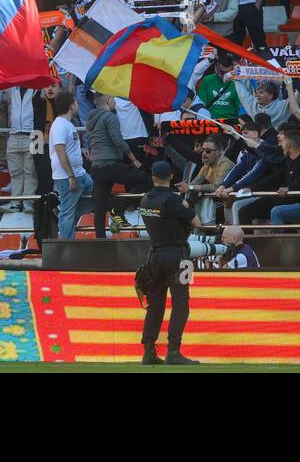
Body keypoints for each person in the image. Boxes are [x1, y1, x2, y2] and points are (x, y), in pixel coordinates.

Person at [138, 159, 200, 364]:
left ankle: (148, 352)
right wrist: (189, 202)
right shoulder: (173, 200)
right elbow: (196, 223)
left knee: (155, 305)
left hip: (154, 256)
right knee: (181, 303)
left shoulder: (145, 199)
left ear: (153, 178)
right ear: (172, 177)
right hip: (178, 256)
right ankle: (173, 351)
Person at [85, 93, 149, 238]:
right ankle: (118, 209)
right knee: (146, 180)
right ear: (108, 100)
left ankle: (100, 241)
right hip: (110, 165)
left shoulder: (90, 118)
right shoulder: (110, 117)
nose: (115, 102)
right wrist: (135, 160)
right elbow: (119, 141)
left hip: (96, 167)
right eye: (113, 99)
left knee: (100, 207)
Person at [50, 93, 92, 239]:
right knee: (68, 213)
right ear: (71, 105)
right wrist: (71, 177)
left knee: (97, 197)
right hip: (68, 176)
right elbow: (60, 152)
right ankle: (67, 247)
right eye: (76, 102)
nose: (78, 105)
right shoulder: (60, 125)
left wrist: (80, 150)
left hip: (80, 173)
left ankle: (64, 211)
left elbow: (66, 147)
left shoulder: (68, 124)